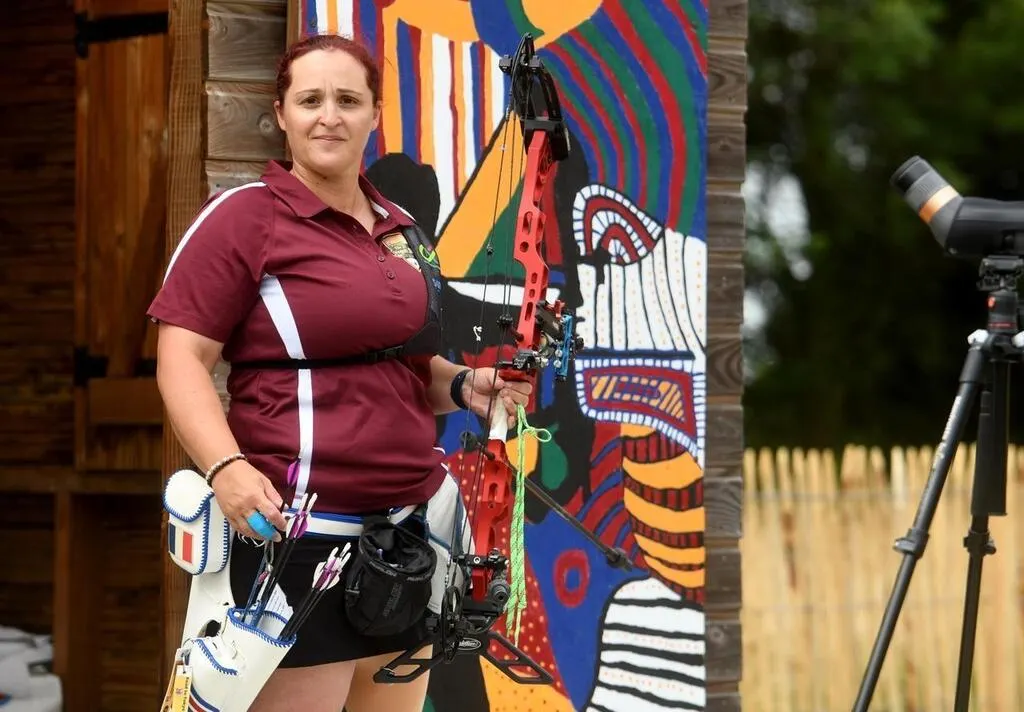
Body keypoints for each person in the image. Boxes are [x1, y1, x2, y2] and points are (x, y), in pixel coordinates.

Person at [147, 32, 530, 712]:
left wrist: (469, 386)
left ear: (374, 114)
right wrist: (226, 468)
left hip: (404, 540)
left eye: (348, 99)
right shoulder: (243, 220)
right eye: (311, 99)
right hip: (297, 538)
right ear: (282, 112)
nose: (330, 115)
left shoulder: (403, 229)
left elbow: (408, 367)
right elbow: (181, 356)